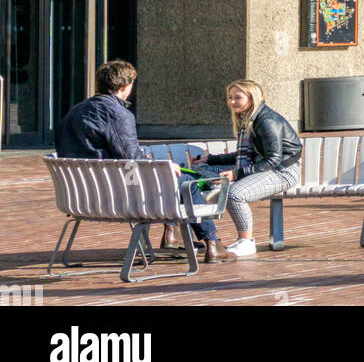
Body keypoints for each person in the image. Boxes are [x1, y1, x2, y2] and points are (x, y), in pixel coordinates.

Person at [54, 59, 229, 263]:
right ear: (125, 87)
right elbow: (132, 161)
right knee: (186, 185)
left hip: (80, 196)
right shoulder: (119, 114)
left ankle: (173, 234)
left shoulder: (73, 112)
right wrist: (165, 167)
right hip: (118, 195)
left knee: (168, 178)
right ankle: (212, 243)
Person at [189, 80, 303, 257]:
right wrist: (209, 159)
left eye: (238, 97)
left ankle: (246, 242)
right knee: (197, 175)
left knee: (235, 194)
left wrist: (236, 174)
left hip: (282, 171)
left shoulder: (266, 121)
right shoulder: (249, 119)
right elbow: (244, 155)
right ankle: (212, 192)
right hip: (260, 166)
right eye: (230, 97)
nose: (232, 102)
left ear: (252, 98)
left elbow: (273, 160)